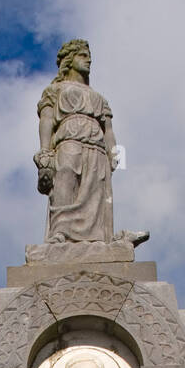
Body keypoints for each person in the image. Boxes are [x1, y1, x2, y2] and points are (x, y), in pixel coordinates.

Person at [35, 39, 117, 244]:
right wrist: (45, 151)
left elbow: (108, 131)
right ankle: (60, 232)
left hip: (96, 147)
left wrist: (114, 154)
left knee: (96, 191)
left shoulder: (99, 97)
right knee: (65, 180)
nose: (88, 60)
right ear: (69, 60)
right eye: (83, 55)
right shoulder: (54, 90)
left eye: (89, 56)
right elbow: (46, 120)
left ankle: (98, 238)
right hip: (69, 140)